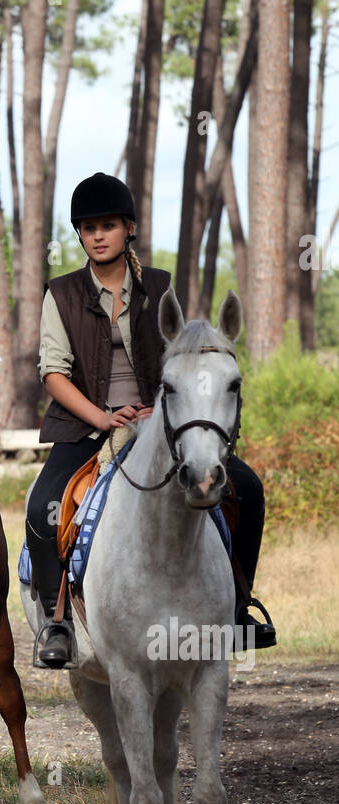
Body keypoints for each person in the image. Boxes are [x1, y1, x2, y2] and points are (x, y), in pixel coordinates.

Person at [25, 171, 275, 667]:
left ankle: (238, 607)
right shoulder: (61, 293)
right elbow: (53, 374)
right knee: (44, 507)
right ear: (80, 233)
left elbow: (179, 360)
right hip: (86, 425)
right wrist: (104, 416)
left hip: (158, 423)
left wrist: (156, 408)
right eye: (88, 226)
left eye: (109, 225)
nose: (98, 235)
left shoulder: (158, 287)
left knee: (246, 490)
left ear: (129, 229)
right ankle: (58, 623)